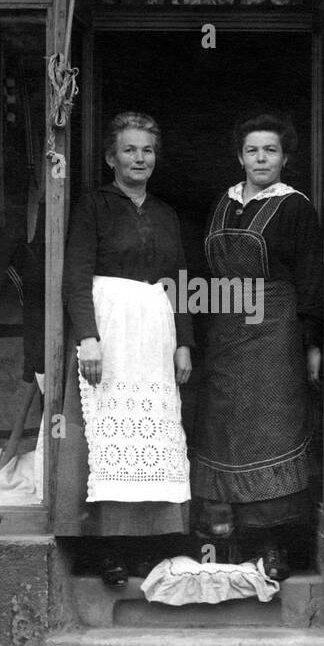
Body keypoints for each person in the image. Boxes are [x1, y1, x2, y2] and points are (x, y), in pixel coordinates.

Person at [54, 112, 193, 586]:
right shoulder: (92, 206)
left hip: (155, 331)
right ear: (112, 157)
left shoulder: (165, 214)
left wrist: (184, 344)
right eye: (130, 150)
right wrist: (87, 336)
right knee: (109, 437)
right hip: (108, 328)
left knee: (152, 436)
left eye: (147, 150)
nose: (140, 158)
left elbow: (179, 282)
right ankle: (107, 552)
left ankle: (150, 550)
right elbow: (74, 277)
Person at [192, 114, 322, 582]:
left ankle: (274, 546)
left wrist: (311, 344)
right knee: (223, 426)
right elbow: (203, 275)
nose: (261, 159)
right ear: (240, 157)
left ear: (285, 158)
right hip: (225, 330)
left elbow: (310, 281)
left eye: (270, 151)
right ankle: (226, 541)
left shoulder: (296, 208)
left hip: (276, 332)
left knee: (272, 429)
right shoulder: (223, 203)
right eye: (253, 151)